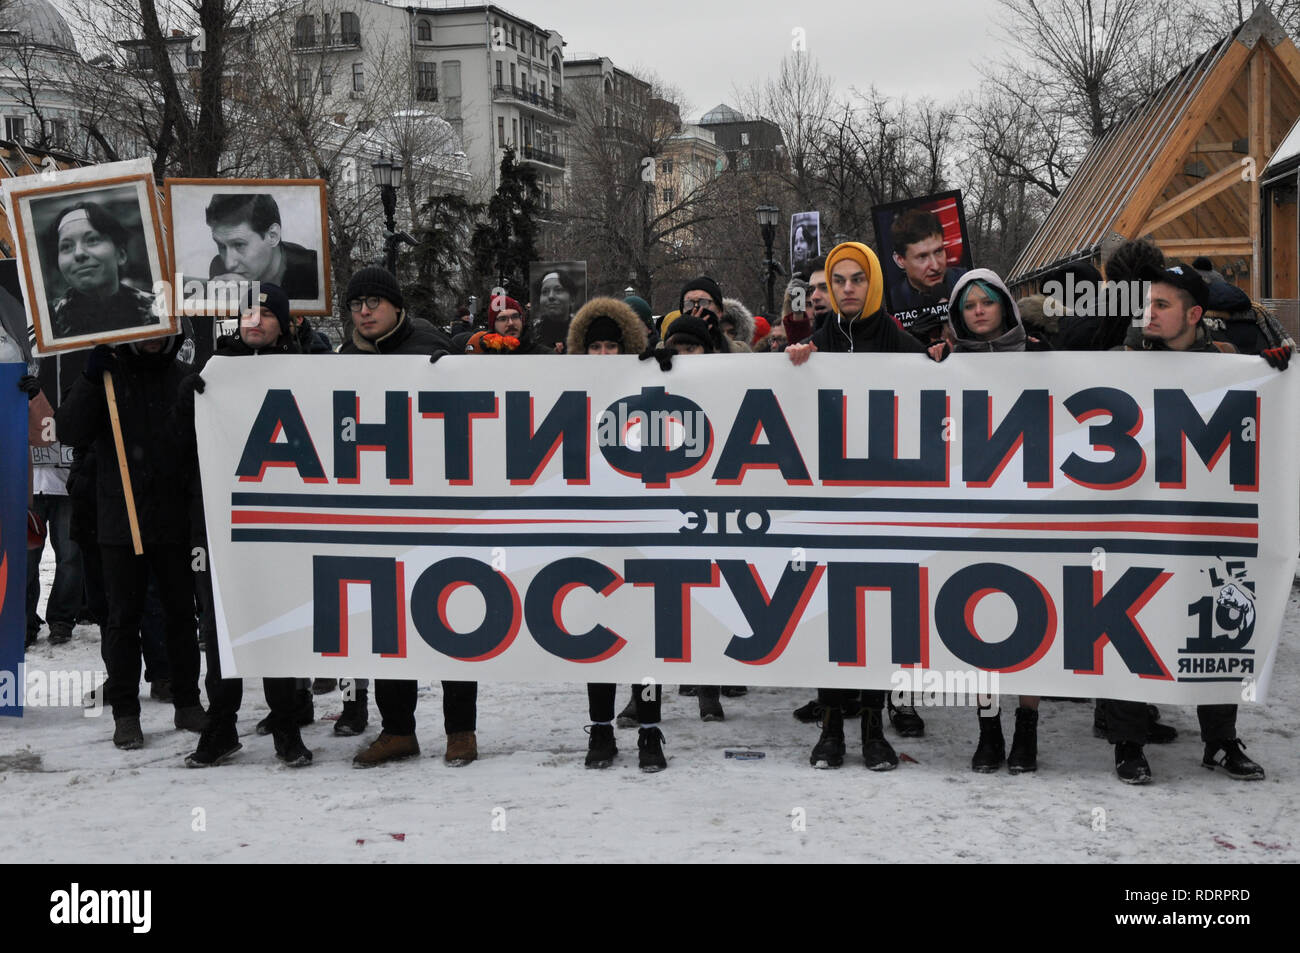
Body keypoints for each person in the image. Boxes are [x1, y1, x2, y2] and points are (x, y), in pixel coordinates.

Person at [1100, 264, 1289, 784]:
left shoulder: (1231, 366)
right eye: (1148, 303)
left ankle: (1221, 740)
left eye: (1162, 305)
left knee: (1218, 625)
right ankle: (1128, 743)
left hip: (1208, 523)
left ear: (1195, 315)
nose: (1149, 313)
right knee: (1131, 624)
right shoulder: (1125, 363)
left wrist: (1278, 373)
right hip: (1139, 524)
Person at [786, 241, 929, 770]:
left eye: (857, 279)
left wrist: (940, 360)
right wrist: (793, 366)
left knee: (877, 615)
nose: (847, 289)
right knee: (833, 615)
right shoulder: (813, 345)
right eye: (838, 280)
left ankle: (873, 727)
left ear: (873, 283)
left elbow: (941, 392)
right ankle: (830, 728)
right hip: (827, 505)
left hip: (887, 505)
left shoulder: (898, 341)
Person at [337, 266, 481, 769]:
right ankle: (398, 730)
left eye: (374, 302)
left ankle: (461, 730)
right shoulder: (345, 359)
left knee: (453, 619)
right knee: (387, 628)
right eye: (356, 304)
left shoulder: (431, 347)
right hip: (378, 514)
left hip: (441, 510)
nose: (365, 312)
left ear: (396, 305)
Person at [178, 285, 314, 767]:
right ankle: (222, 725)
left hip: (281, 521)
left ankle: (285, 722)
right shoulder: (214, 373)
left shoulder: (305, 370)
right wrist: (189, 401)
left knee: (278, 621)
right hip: (219, 523)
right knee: (221, 628)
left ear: (284, 322)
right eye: (246, 312)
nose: (254, 320)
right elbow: (185, 453)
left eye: (266, 313)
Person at [55, 334, 205, 750]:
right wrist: (88, 380)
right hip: (121, 523)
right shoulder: (106, 377)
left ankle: (187, 701)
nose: (154, 340)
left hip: (173, 523)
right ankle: (126, 714)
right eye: (145, 332)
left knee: (180, 615)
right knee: (123, 619)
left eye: (162, 332)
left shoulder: (183, 378)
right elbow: (68, 431)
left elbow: (203, 448)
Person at [932, 269, 1049, 772]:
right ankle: (989, 730)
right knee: (981, 622)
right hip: (972, 512)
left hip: (1033, 510)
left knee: (1034, 622)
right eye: (969, 305)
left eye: (987, 302)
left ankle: (1027, 731)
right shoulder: (943, 363)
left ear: (1005, 306)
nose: (979, 311)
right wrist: (933, 365)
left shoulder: (1043, 355)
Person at [563, 297, 667, 771]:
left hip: (644, 526)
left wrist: (677, 367)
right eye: (595, 346)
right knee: (597, 630)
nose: (604, 355)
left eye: (612, 346)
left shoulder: (652, 381)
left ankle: (649, 731)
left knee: (644, 634)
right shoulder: (564, 388)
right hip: (591, 527)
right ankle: (601, 729)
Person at [47, 201, 159, 340]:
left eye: (92, 239)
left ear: (121, 254)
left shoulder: (157, 311)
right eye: (66, 246)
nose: (78, 253)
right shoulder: (47, 323)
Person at [205, 193, 319, 301]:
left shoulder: (313, 270)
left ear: (272, 236)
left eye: (239, 245)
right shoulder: (218, 267)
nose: (229, 264)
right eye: (221, 246)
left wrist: (251, 295)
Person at [887, 208, 965, 332]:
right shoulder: (893, 300)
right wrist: (910, 338)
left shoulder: (965, 281)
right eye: (922, 256)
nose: (935, 266)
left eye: (939, 251)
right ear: (900, 260)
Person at [535, 270, 577, 350]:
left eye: (558, 290)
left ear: (572, 299)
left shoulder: (583, 330)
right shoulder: (532, 331)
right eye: (545, 292)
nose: (551, 296)